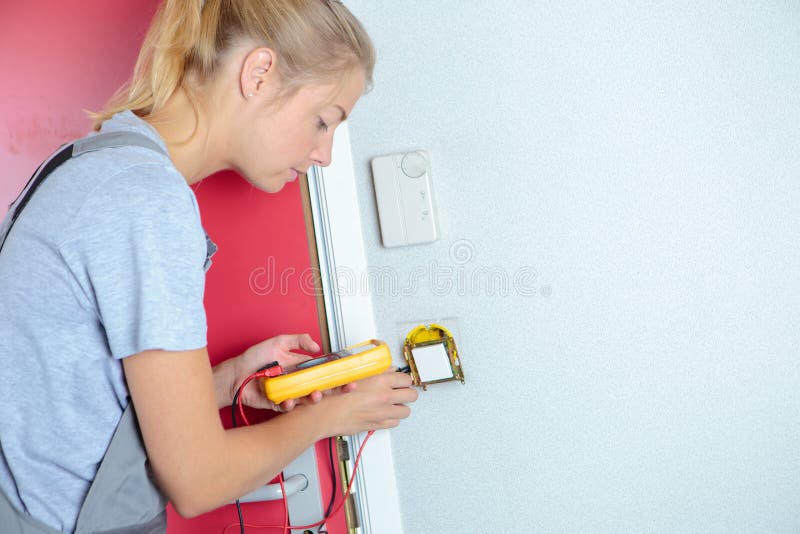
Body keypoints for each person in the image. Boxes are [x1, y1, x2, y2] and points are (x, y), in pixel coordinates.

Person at [0, 0, 418, 532]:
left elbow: (74, 398)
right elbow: (198, 482)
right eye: (322, 121)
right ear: (259, 73)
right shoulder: (146, 200)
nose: (325, 154)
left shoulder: (93, 165)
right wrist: (335, 415)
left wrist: (226, 383)